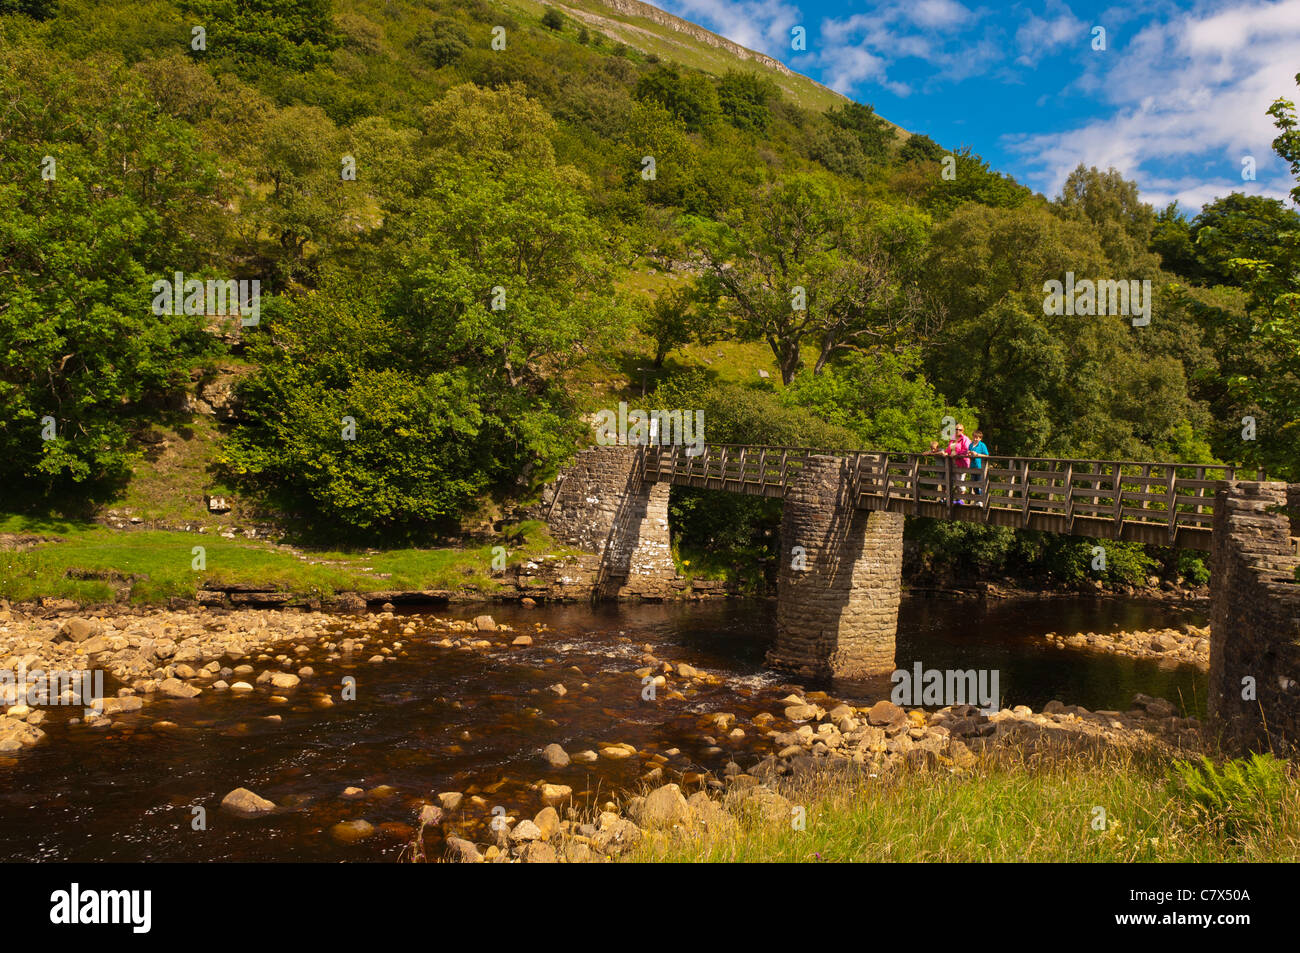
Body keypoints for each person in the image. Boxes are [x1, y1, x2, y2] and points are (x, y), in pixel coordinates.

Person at [946, 423, 971, 503]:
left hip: (962, 462)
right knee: (956, 480)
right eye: (956, 429)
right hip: (953, 462)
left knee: (961, 479)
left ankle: (961, 499)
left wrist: (957, 453)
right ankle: (958, 499)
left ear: (962, 430)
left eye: (959, 429)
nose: (957, 431)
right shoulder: (952, 439)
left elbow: (966, 450)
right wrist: (945, 453)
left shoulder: (965, 439)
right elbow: (949, 449)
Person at [967, 429, 989, 503]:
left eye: (977, 437)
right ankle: (978, 500)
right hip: (973, 466)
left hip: (980, 467)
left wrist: (977, 454)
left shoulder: (982, 445)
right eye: (974, 437)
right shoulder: (970, 445)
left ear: (980, 438)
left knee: (980, 484)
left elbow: (986, 455)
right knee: (974, 484)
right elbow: (969, 454)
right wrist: (969, 454)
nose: (975, 439)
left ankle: (981, 500)